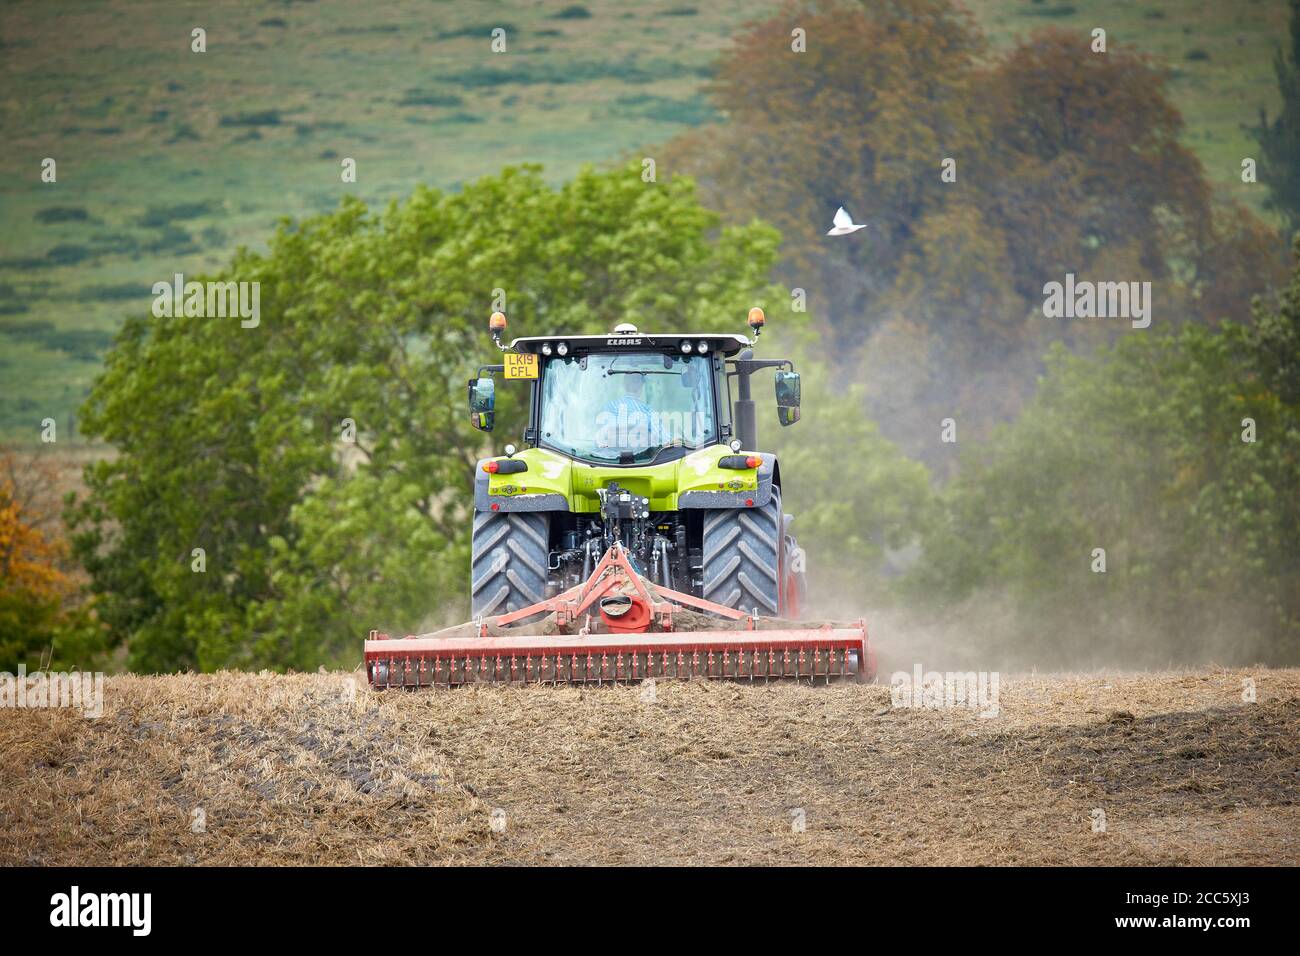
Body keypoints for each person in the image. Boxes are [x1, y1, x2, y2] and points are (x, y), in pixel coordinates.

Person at [598, 372, 657, 450]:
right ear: (641, 385)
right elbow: (662, 438)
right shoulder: (647, 410)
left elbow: (600, 437)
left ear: (624, 385)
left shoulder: (609, 406)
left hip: (610, 458)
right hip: (643, 458)